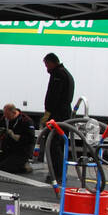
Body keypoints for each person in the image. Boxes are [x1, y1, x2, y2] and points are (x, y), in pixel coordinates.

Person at [42, 52, 74, 184]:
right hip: (63, 114)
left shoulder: (58, 75)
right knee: (58, 144)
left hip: (58, 115)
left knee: (54, 145)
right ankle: (58, 173)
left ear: (51, 62)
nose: (46, 68)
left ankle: (57, 174)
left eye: (46, 65)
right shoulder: (65, 73)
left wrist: (48, 114)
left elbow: (54, 96)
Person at [0, 103, 36, 174]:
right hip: (7, 150)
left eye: (8, 115)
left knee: (5, 168)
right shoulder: (5, 118)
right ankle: (12, 162)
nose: (6, 117)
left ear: (14, 112)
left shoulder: (26, 121)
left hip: (21, 151)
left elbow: (30, 139)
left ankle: (24, 167)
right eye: (5, 115)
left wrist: (14, 136)